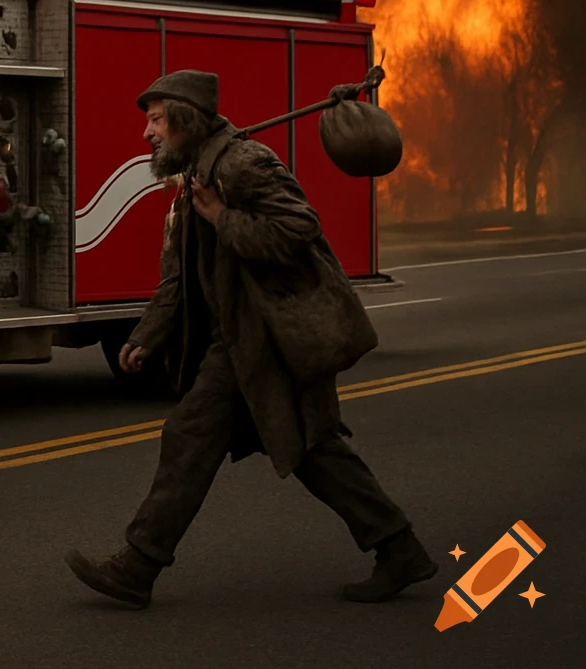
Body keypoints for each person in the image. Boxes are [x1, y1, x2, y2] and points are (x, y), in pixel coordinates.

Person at [65, 70, 436, 609]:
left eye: (156, 120)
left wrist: (223, 216)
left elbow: (299, 228)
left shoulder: (242, 164)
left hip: (263, 341)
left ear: (186, 120)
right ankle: (400, 550)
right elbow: (183, 276)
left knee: (190, 438)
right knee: (314, 450)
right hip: (239, 338)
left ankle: (137, 566)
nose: (147, 133)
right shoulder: (198, 171)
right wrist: (149, 334)